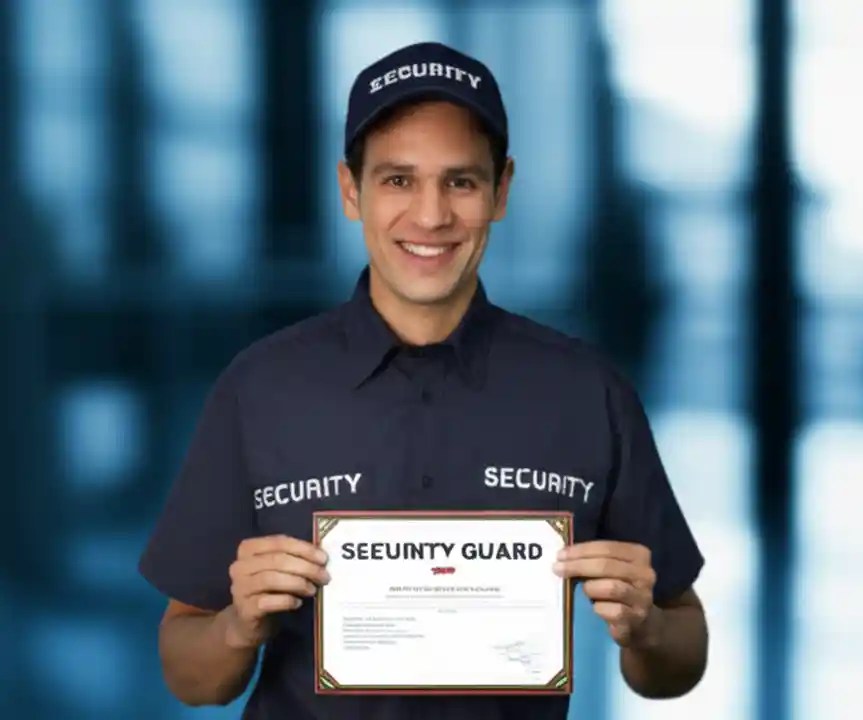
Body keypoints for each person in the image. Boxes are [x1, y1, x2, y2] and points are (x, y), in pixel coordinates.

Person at [137, 41, 708, 720]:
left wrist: (646, 631)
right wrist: (238, 627)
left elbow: (680, 657)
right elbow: (192, 678)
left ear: (501, 190)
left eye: (460, 182)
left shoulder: (588, 395)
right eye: (398, 180)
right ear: (351, 190)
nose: (432, 216)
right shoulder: (260, 389)